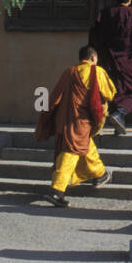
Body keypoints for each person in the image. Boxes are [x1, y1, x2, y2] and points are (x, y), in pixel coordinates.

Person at [34, 45, 116, 208]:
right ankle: (56, 190)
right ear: (93, 58)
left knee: (84, 146)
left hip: (65, 118)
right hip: (82, 119)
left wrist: (46, 114)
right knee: (70, 152)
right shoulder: (96, 71)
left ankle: (100, 174)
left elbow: (55, 95)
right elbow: (109, 93)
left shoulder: (69, 72)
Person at [90, 0, 132, 135]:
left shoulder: (104, 13)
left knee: (113, 90)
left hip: (108, 59)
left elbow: (94, 34)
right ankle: (119, 114)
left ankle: (118, 123)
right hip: (127, 59)